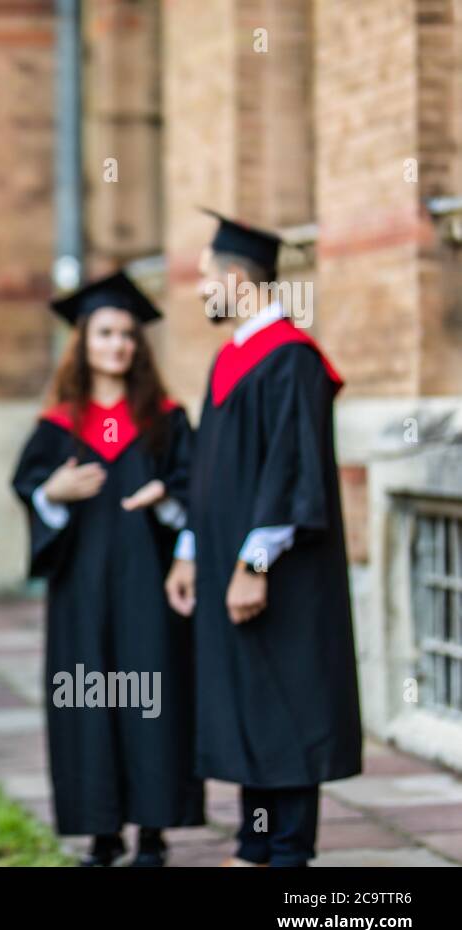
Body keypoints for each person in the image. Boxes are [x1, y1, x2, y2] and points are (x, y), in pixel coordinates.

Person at [164, 210, 362, 868]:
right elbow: (207, 471)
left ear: (236, 281)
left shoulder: (291, 361)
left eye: (204, 277)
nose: (198, 290)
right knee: (248, 699)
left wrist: (253, 562)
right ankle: (253, 846)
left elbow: (292, 469)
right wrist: (190, 552)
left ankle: (287, 853)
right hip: (224, 564)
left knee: (289, 703)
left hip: (279, 575)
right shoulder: (231, 359)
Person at [12, 271, 204, 867]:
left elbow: (197, 496)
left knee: (155, 696)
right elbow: (30, 490)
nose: (118, 345)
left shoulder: (166, 420)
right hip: (82, 589)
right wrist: (55, 492)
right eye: (105, 333)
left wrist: (167, 507)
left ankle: (152, 831)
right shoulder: (57, 426)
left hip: (150, 584)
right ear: (84, 342)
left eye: (127, 334)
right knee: (86, 701)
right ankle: (101, 832)